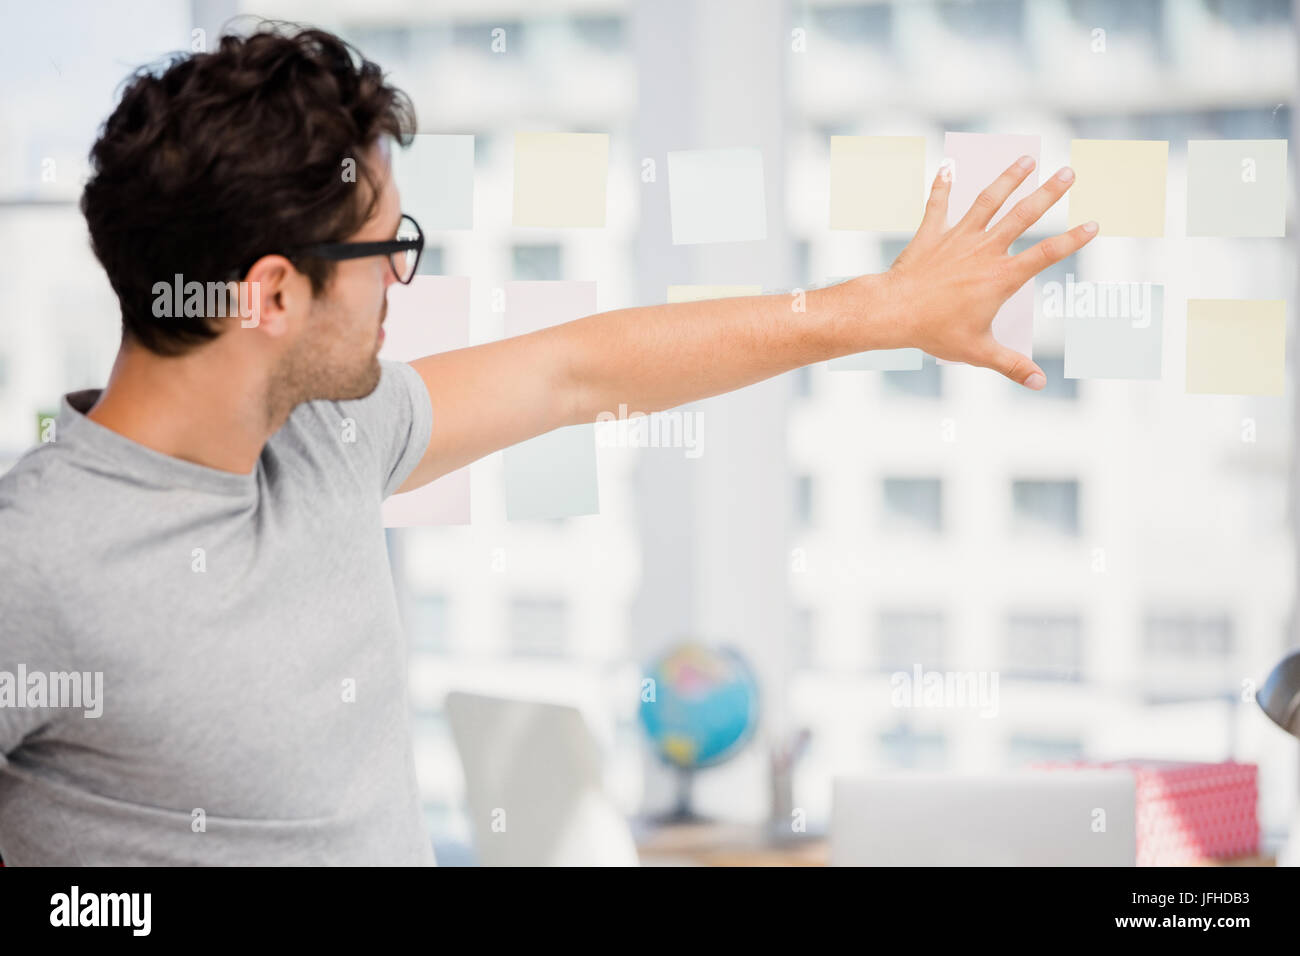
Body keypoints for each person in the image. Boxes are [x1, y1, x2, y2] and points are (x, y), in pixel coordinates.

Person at [0, 22, 1095, 865]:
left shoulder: (327, 438)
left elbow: (583, 369)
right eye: (389, 246)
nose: (400, 279)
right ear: (275, 292)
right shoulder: (38, 561)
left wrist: (881, 311)